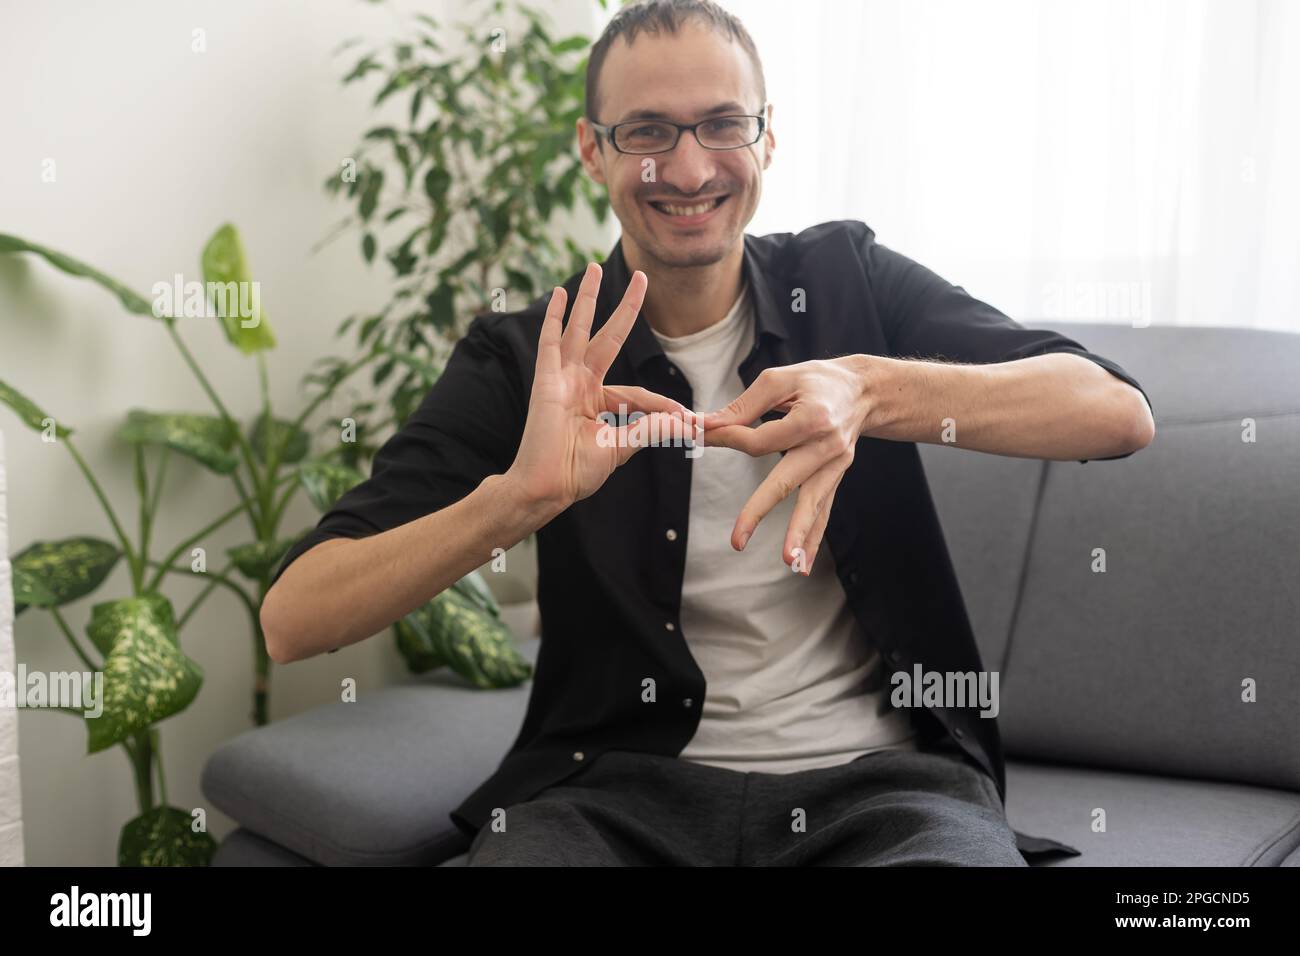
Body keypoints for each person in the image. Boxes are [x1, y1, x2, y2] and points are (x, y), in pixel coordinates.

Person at [261, 0, 1154, 866]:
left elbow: (1116, 412)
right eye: (647, 132)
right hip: (611, 799)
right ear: (591, 150)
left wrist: (870, 390)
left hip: (884, 794)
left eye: (723, 125)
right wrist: (514, 501)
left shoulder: (846, 280)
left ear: (767, 137)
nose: (688, 172)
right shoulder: (529, 358)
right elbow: (295, 620)